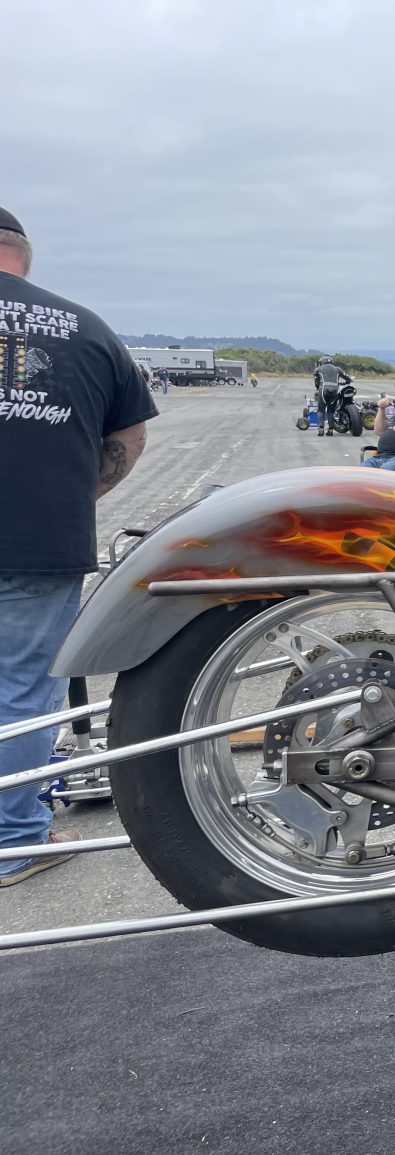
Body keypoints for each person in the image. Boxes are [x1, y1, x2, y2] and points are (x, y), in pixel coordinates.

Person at [0, 206, 157, 886]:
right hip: (41, 537)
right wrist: (68, 500)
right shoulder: (87, 328)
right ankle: (13, 840)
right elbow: (128, 440)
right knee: (23, 691)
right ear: (24, 255)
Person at [312, 354, 352, 437]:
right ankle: (330, 430)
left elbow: (316, 383)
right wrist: (347, 382)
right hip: (334, 390)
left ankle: (321, 429)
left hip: (323, 389)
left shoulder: (318, 369)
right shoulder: (337, 369)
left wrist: (318, 388)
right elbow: (348, 378)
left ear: (322, 362)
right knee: (331, 410)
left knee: (321, 409)